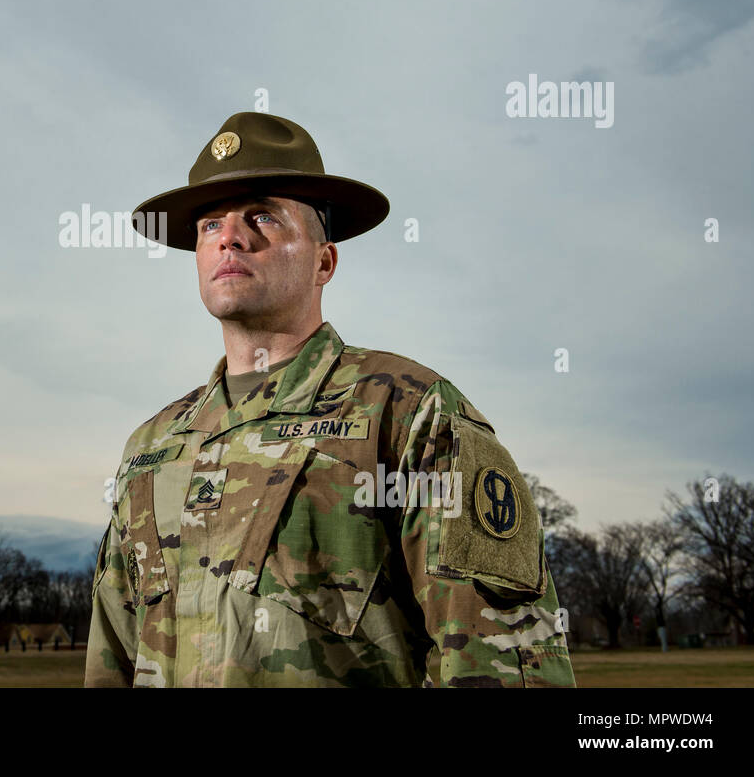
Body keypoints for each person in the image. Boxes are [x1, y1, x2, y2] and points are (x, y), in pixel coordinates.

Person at [84, 111, 576, 687]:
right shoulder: (152, 447)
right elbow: (110, 659)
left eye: (264, 215)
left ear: (324, 260)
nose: (230, 236)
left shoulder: (408, 412)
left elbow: (501, 667)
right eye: (209, 224)